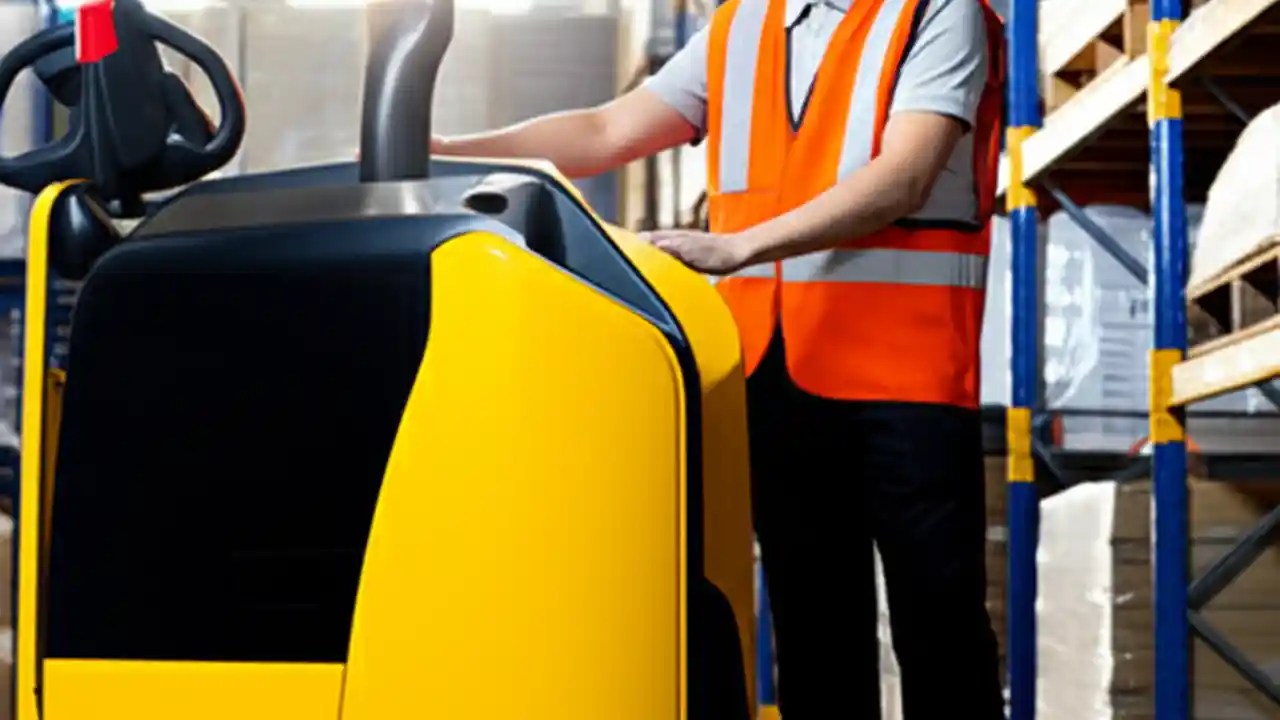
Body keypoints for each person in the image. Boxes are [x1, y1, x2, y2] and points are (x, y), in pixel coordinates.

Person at [433, 0, 1006, 715]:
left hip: (906, 376)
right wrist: (440, 148)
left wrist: (739, 247)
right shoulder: (742, 27)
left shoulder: (932, 13)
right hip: (772, 374)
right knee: (813, 631)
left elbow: (906, 175)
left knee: (938, 625)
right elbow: (606, 130)